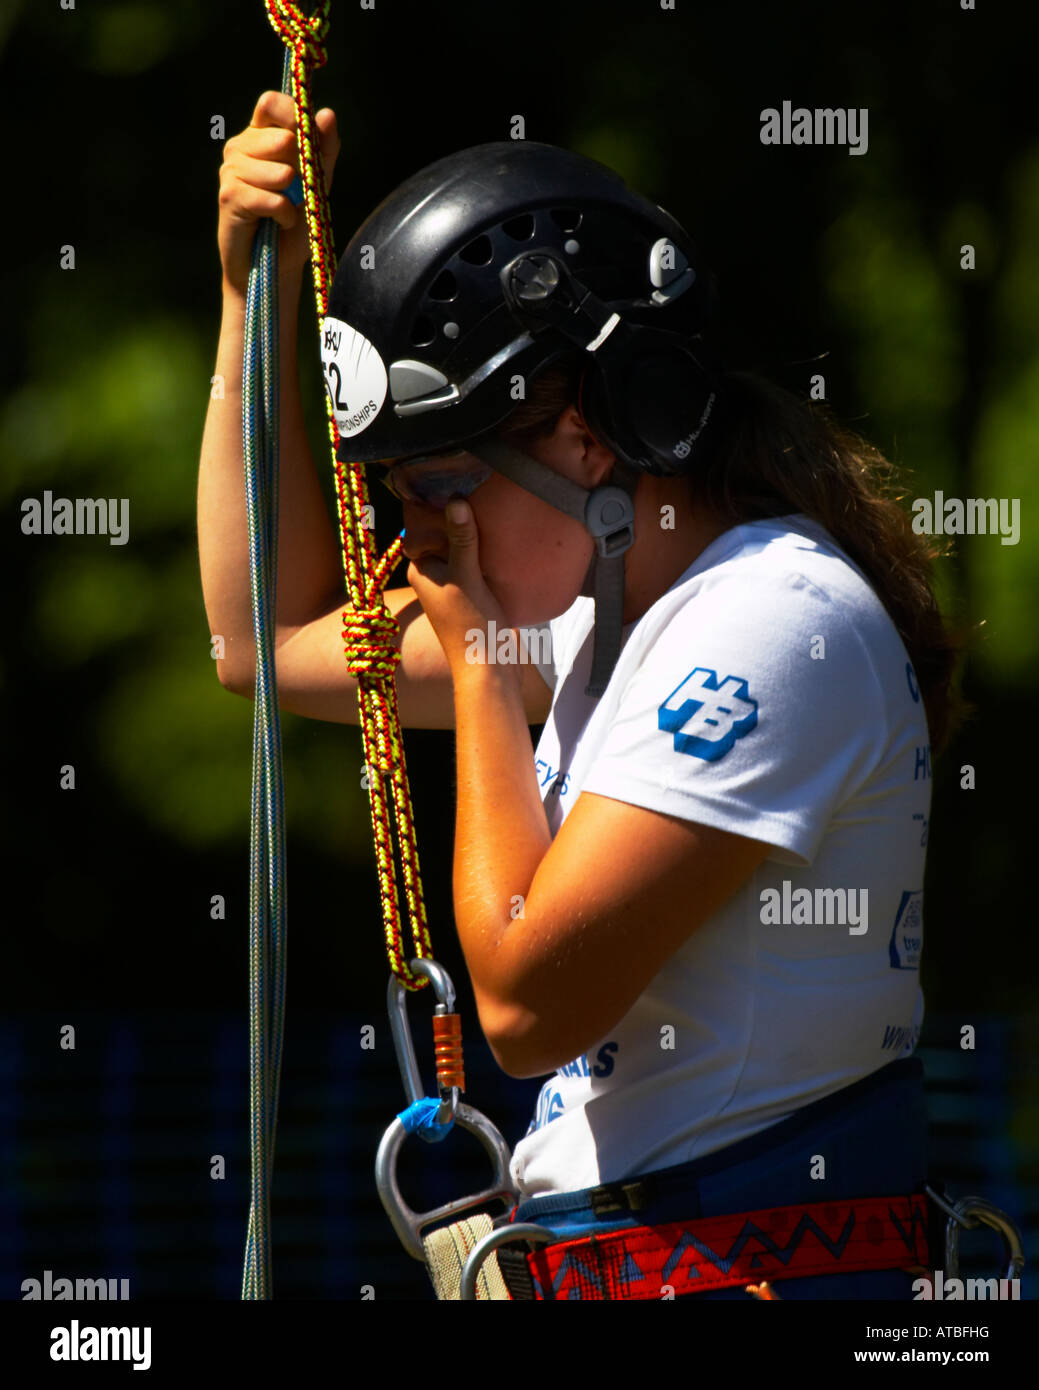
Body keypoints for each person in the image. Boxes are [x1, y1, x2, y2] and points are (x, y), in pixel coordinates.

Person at [199, 91, 971, 1300]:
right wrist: (257, 301)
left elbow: (524, 1002)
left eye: (438, 485)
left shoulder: (774, 622)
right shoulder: (588, 616)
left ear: (587, 439)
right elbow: (260, 641)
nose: (419, 543)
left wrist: (475, 668)